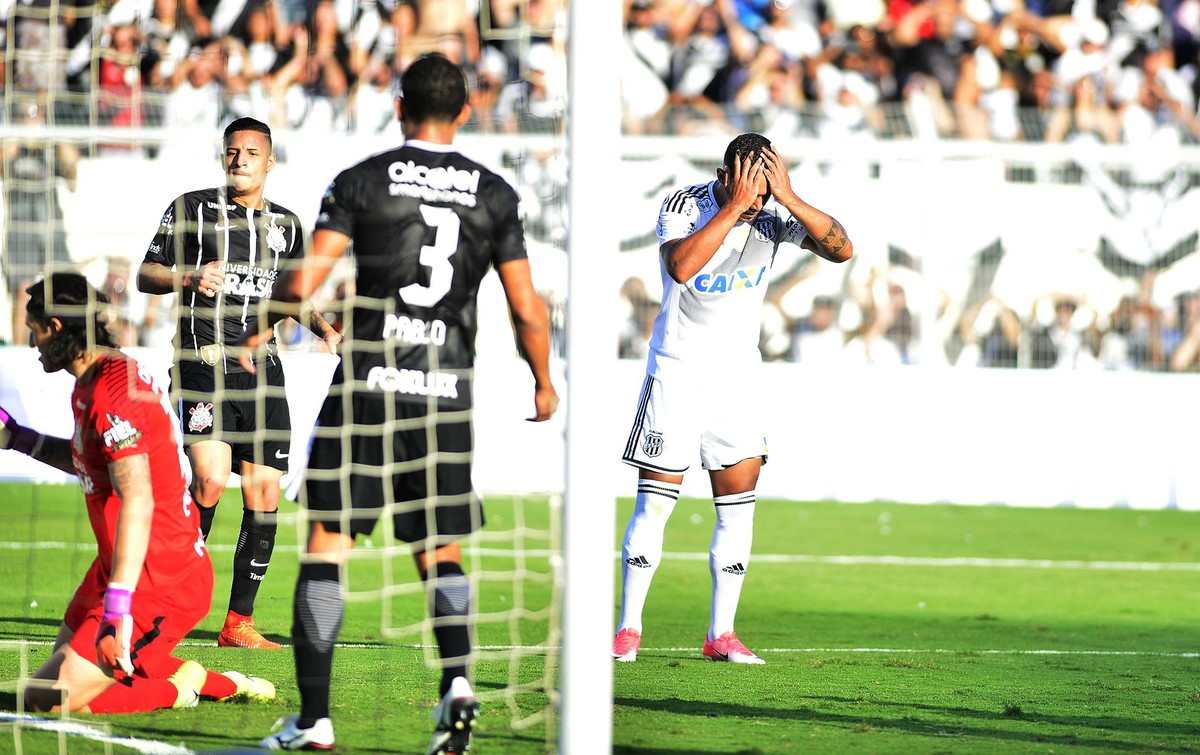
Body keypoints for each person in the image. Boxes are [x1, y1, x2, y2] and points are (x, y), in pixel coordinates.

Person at [250, 52, 558, 753]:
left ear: (397, 106)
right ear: (467, 109)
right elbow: (526, 307)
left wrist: (288, 309)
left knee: (327, 546)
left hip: (366, 389)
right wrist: (542, 378)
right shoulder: (495, 193)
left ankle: (316, 718)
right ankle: (455, 681)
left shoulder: (363, 180)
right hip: (444, 395)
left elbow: (302, 281)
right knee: (438, 548)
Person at [613, 132, 853, 664]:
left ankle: (721, 634)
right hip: (676, 369)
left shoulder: (773, 211)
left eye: (766, 189)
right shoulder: (685, 205)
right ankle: (628, 628)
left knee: (737, 509)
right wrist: (737, 206)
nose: (759, 202)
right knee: (654, 504)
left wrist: (786, 198)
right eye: (750, 186)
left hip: (737, 377)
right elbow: (680, 268)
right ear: (724, 176)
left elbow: (842, 249)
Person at [0, 273, 275, 713]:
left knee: (51, 699)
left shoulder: (111, 391)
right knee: (58, 675)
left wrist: (118, 605)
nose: (32, 345)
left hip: (160, 578)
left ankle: (181, 691)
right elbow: (92, 464)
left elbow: (138, 497)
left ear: (54, 328)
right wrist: (16, 438)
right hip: (120, 565)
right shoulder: (96, 377)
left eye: (34, 332)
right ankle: (208, 679)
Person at [136, 116, 341, 651]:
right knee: (208, 478)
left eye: (251, 151)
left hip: (263, 368)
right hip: (203, 361)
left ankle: (238, 623)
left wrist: (323, 328)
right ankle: (168, 604)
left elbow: (292, 295)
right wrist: (187, 276)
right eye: (232, 151)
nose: (240, 159)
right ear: (222, 157)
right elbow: (145, 273)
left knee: (265, 490)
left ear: (269, 161)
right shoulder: (190, 208)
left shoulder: (288, 225)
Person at [2, 94, 80, 344]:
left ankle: (63, 344)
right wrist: (14, 145)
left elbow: (73, 182)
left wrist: (66, 152)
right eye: (28, 114)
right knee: (22, 291)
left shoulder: (52, 146)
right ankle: (17, 351)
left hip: (49, 223)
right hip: (20, 224)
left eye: (38, 114)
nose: (33, 120)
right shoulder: (11, 145)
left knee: (62, 286)